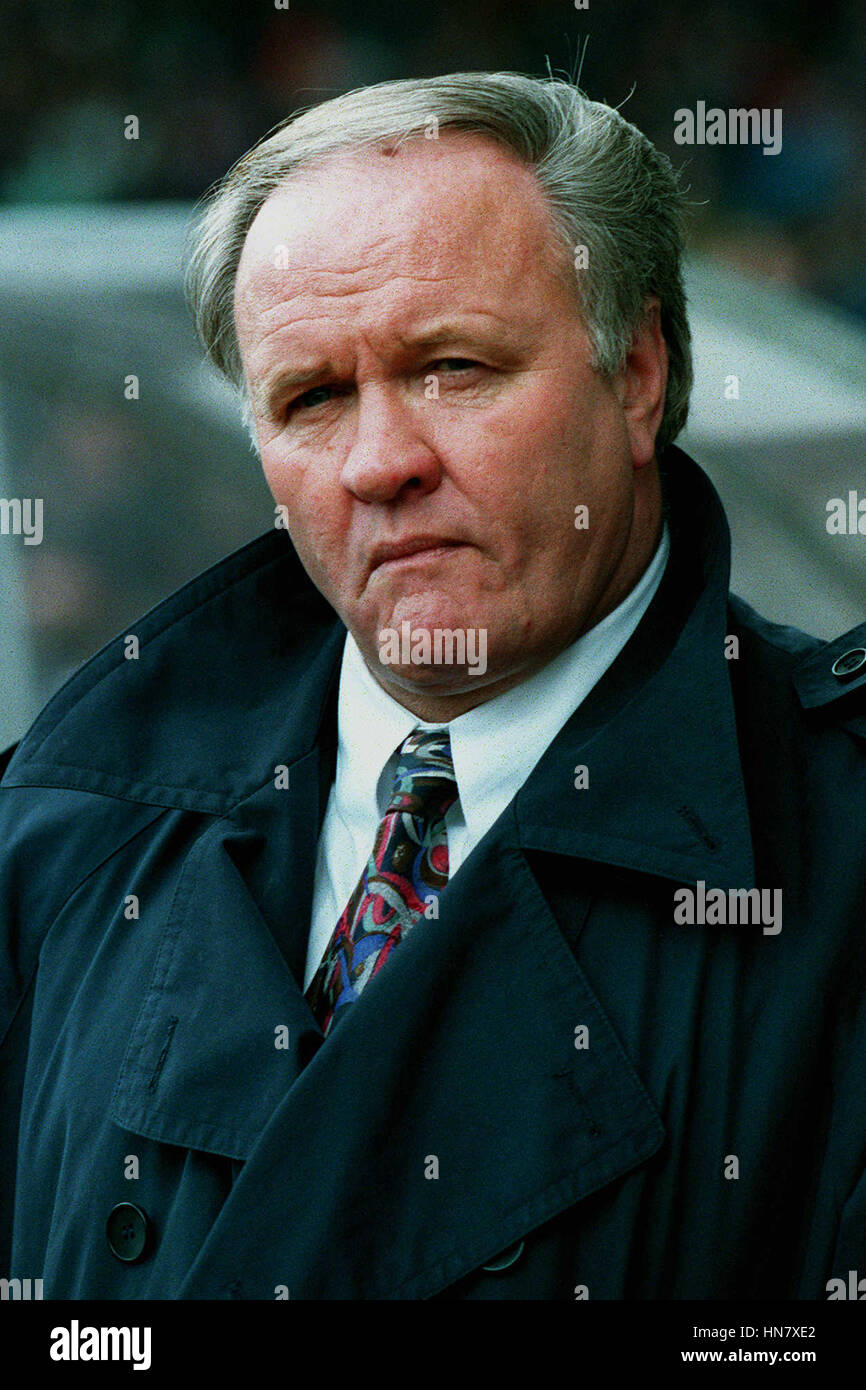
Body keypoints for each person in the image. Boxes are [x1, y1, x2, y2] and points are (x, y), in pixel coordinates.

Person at [1, 72, 865, 1302]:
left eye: (452, 369)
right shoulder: (61, 837)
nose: (379, 462)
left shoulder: (835, 850)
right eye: (310, 398)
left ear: (635, 371)